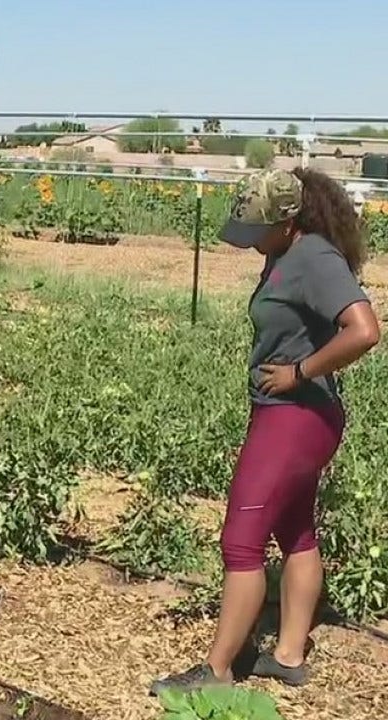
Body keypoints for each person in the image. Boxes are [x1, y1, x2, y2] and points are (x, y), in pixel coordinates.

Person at [152, 168, 379, 694]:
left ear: (289, 221)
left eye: (259, 231)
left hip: (296, 417)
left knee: (241, 540)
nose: (252, 242)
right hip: (292, 416)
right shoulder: (285, 252)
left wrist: (300, 371)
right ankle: (288, 654)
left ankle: (216, 672)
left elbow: (365, 330)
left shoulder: (315, 258)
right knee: (295, 530)